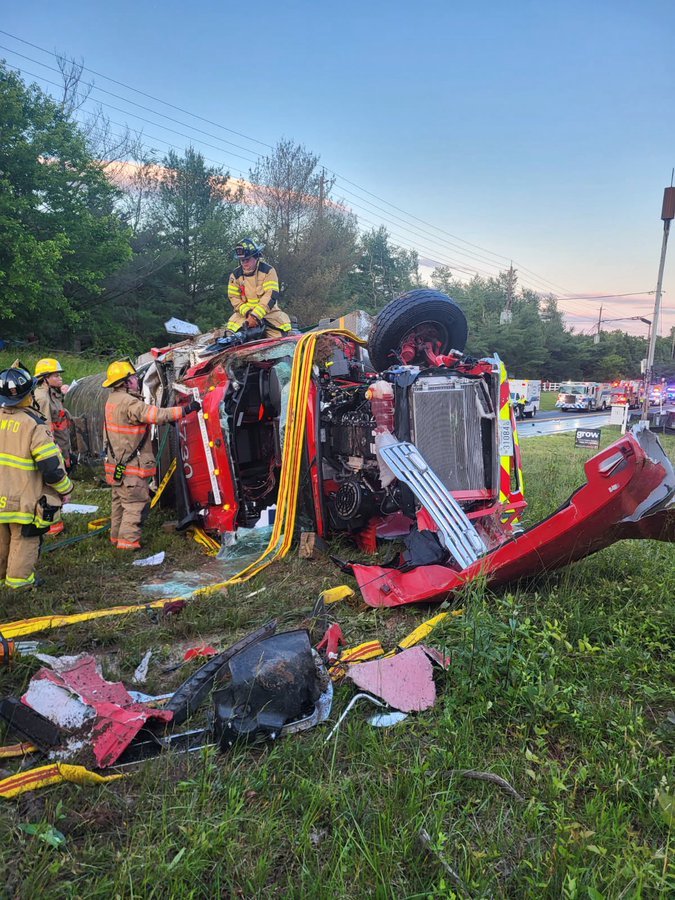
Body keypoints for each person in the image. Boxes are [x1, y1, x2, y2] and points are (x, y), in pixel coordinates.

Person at [102, 359, 201, 550]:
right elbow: (155, 415)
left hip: (116, 466)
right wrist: (185, 410)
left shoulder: (112, 400)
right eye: (132, 377)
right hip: (131, 467)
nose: (136, 380)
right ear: (125, 382)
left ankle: (116, 538)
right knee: (134, 503)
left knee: (119, 503)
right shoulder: (130, 403)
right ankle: (128, 544)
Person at [0, 365, 73, 590]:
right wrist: (66, 489)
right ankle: (19, 586)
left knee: (2, 542)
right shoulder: (33, 425)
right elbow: (51, 468)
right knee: (24, 541)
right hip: (23, 500)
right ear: (28, 394)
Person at [33, 358, 73, 535]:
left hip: (62, 446)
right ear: (45, 378)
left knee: (58, 488)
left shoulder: (52, 395)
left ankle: (56, 523)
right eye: (56, 375)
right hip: (53, 448)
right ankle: (52, 528)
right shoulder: (42, 398)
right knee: (52, 488)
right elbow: (46, 429)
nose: (60, 378)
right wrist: (56, 454)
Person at [226, 238, 292, 338]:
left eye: (247, 259)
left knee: (279, 342)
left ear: (256, 257)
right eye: (242, 260)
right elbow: (234, 298)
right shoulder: (235, 275)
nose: (244, 263)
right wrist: (248, 313)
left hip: (268, 314)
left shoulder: (268, 271)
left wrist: (255, 316)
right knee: (230, 339)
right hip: (244, 316)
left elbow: (270, 296)